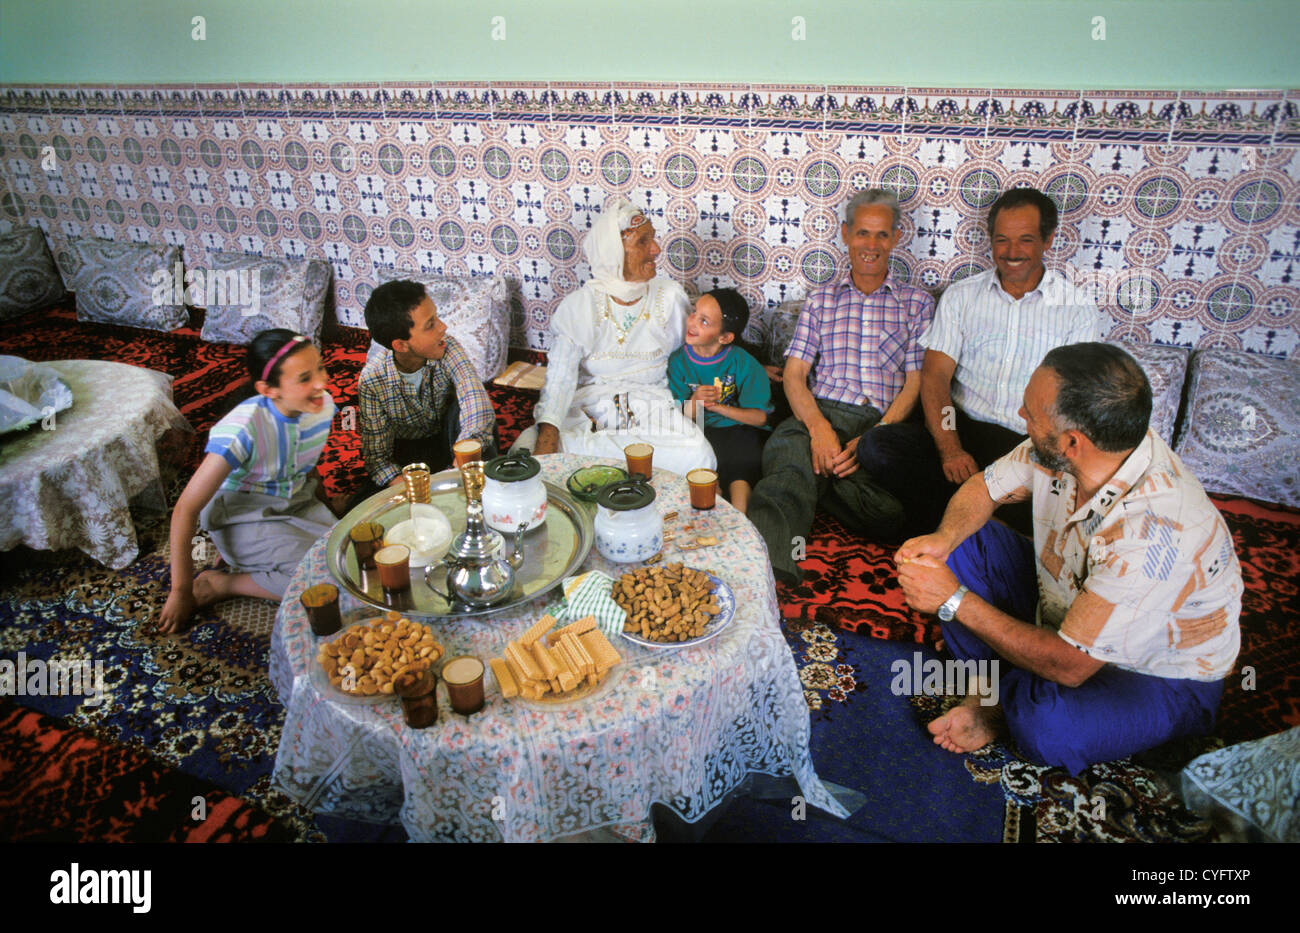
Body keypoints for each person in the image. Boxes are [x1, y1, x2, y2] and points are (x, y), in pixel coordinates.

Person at [895, 343, 1242, 774]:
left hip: (1154, 674)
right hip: (1064, 609)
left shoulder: (1156, 533)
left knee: (1045, 727)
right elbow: (985, 486)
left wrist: (954, 601)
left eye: (1030, 413)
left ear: (1072, 441)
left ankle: (998, 697)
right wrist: (943, 539)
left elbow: (1072, 665)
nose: (1021, 417)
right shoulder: (1079, 449)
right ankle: (1002, 683)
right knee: (959, 547)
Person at [859, 187, 1100, 534]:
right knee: (877, 447)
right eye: (1002, 240)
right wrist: (950, 449)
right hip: (962, 428)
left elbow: (1077, 401)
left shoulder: (1077, 309)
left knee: (1070, 505)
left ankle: (953, 522)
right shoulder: (962, 296)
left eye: (1026, 240)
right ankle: (982, 523)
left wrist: (1042, 462)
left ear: (1048, 241)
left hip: (1028, 443)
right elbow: (935, 377)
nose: (1012, 253)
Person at [747, 189, 935, 584]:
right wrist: (818, 430)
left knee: (889, 515)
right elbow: (795, 375)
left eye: (882, 235)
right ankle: (772, 567)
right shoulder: (822, 300)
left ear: (896, 238)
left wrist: (873, 437)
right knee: (785, 459)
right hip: (820, 411)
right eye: (863, 233)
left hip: (880, 424)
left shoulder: (916, 303)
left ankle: (818, 482)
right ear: (847, 234)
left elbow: (917, 381)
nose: (871, 245)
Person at [159, 329, 347, 634]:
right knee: (323, 582)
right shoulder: (242, 429)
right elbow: (185, 510)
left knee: (348, 561)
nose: (321, 383)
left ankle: (268, 558)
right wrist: (180, 591)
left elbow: (307, 462)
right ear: (268, 389)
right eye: (304, 378)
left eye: (321, 368)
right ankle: (223, 583)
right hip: (242, 517)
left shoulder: (320, 405)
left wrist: (328, 511)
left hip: (295, 501)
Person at [521, 197, 715, 476]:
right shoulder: (579, 306)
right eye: (642, 242)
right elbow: (560, 380)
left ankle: (605, 469)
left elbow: (705, 338)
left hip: (654, 412)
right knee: (526, 451)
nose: (656, 249)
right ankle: (627, 468)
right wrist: (548, 437)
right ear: (613, 253)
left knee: (698, 454)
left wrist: (752, 364)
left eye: (654, 239)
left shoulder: (669, 296)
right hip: (591, 412)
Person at [356, 280, 497, 494]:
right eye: (430, 324)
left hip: (452, 442)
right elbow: (378, 460)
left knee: (474, 426)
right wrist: (413, 486)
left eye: (436, 317)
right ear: (401, 345)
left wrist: (457, 467)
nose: (443, 327)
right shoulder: (371, 380)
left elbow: (475, 400)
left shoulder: (447, 347)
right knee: (365, 503)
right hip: (408, 458)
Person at [667, 288, 772, 514]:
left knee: (741, 467)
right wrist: (695, 401)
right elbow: (677, 415)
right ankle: (710, 515)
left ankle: (741, 522)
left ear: (724, 337)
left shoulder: (744, 364)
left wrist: (720, 408)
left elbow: (759, 417)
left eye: (704, 321)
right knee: (701, 466)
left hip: (737, 431)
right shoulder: (677, 361)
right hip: (698, 429)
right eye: (694, 313)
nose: (692, 322)